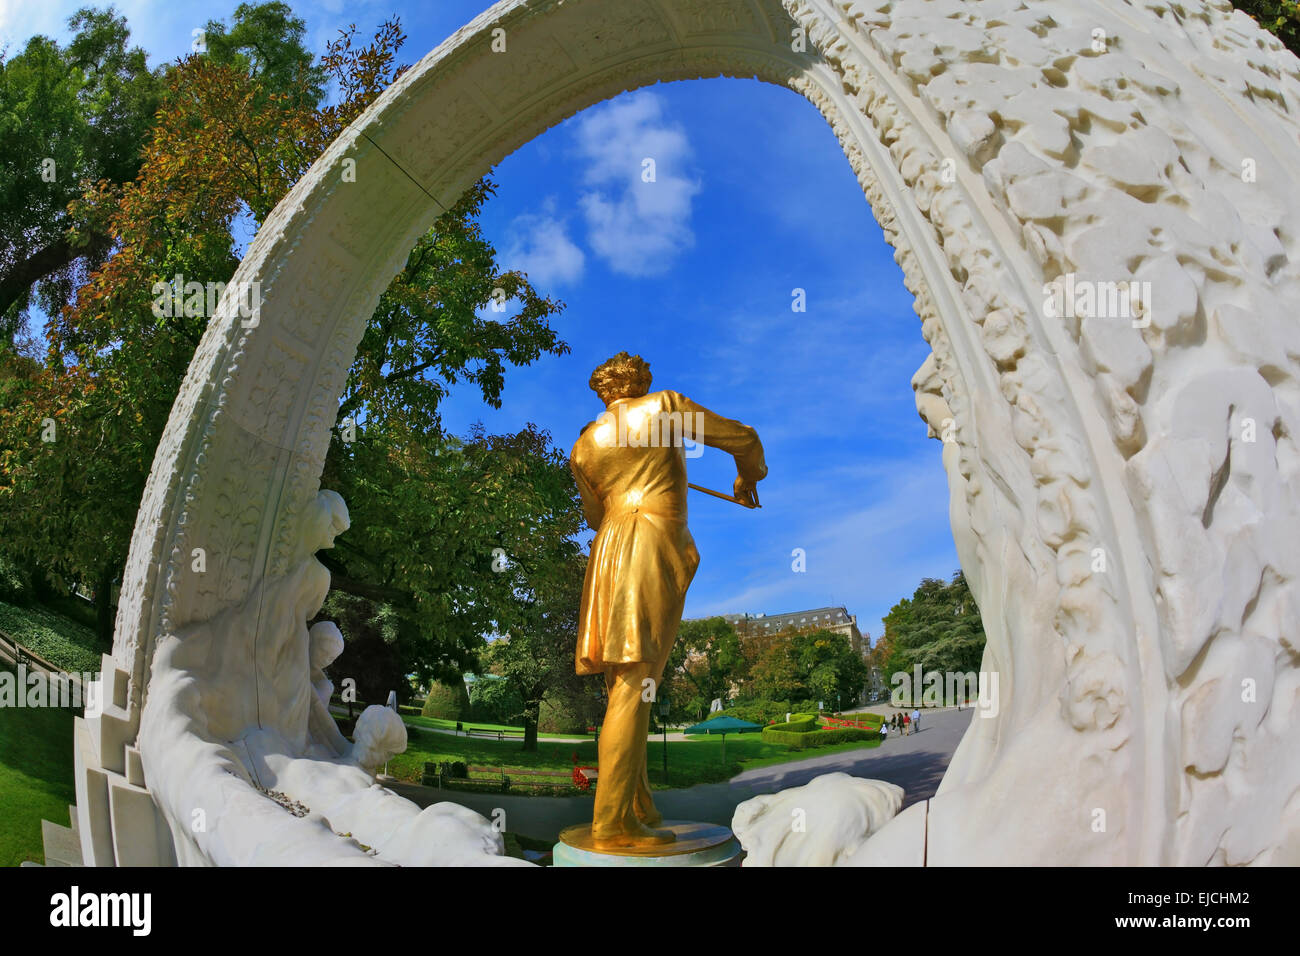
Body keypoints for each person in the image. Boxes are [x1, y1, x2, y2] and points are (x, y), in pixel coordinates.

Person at [570, 352, 766, 849]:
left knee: (625, 686)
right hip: (648, 542)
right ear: (640, 382)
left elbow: (593, 516)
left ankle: (639, 807)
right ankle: (611, 823)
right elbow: (743, 439)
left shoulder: (584, 446)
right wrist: (748, 476)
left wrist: (625, 480)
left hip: (609, 547)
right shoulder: (662, 408)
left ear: (604, 392)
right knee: (636, 684)